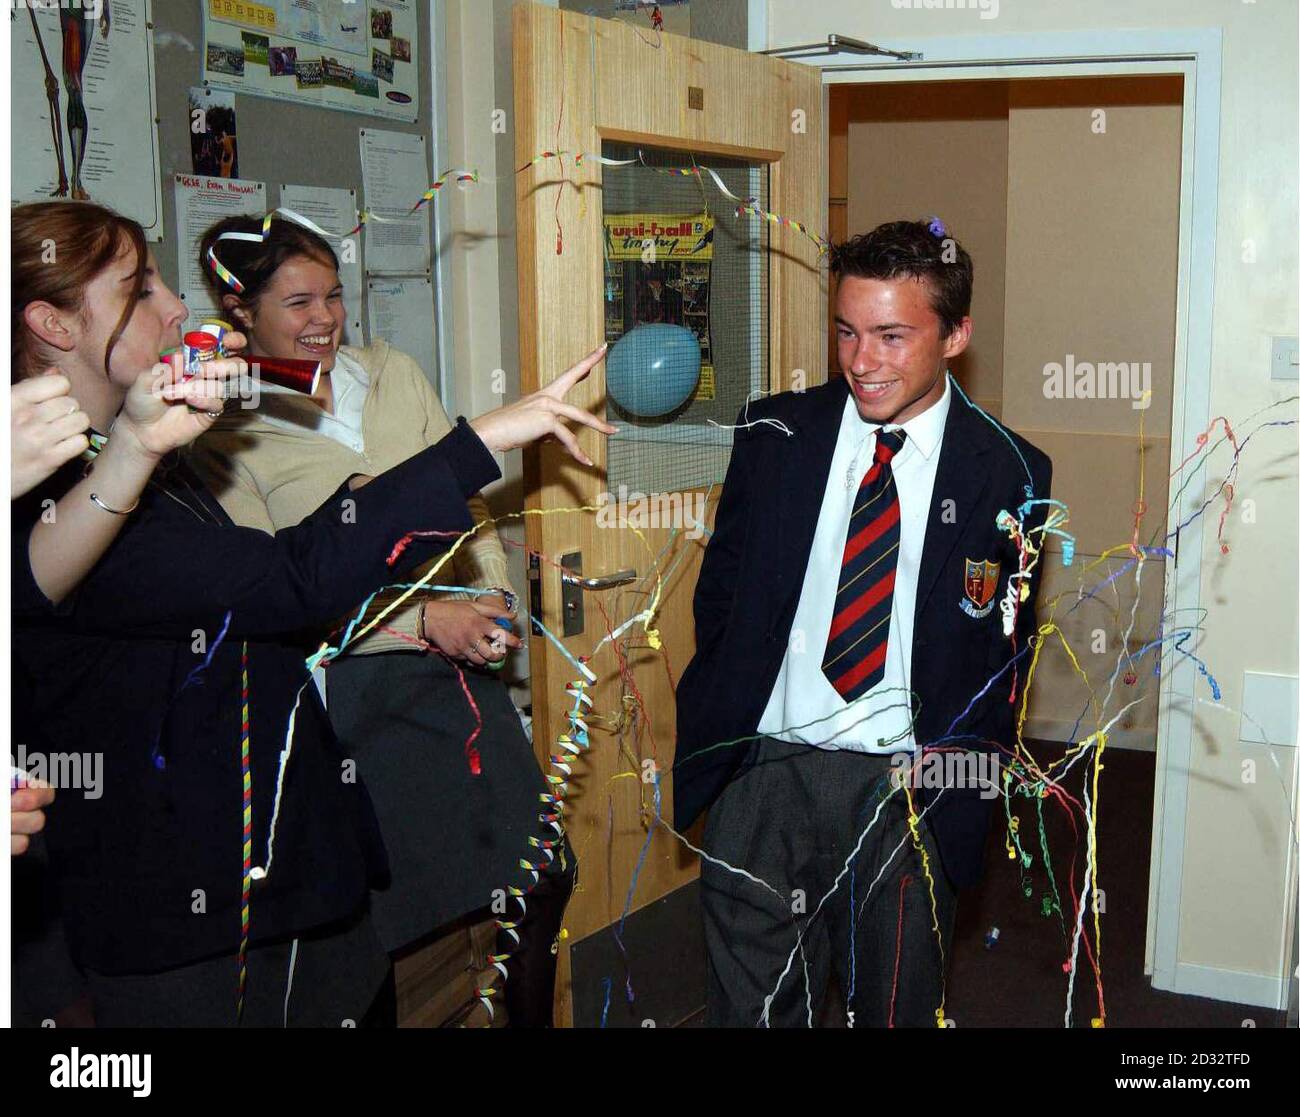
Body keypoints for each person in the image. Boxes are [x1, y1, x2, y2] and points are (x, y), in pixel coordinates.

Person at [11, 200, 613, 1027]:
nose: (173, 304)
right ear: (53, 323)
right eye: (139, 286)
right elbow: (286, 583)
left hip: (283, 868)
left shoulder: (132, 450)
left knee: (536, 879)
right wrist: (486, 439)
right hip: (193, 910)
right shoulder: (62, 498)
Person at [188, 213, 573, 1026]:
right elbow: (272, 592)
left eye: (332, 295)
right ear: (240, 315)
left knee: (541, 879)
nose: (323, 317)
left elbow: (463, 498)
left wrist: (491, 593)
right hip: (353, 698)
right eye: (297, 302)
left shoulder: (391, 372)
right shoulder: (220, 433)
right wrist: (423, 620)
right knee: (387, 930)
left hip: (462, 673)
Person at [674, 219, 1052, 1027]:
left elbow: (1003, 654)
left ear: (956, 335)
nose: (861, 361)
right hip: (765, 773)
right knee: (756, 1009)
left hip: (908, 789)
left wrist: (962, 781)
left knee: (894, 1007)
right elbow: (722, 595)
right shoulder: (774, 434)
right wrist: (735, 746)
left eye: (891, 335)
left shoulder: (1011, 472)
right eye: (845, 332)